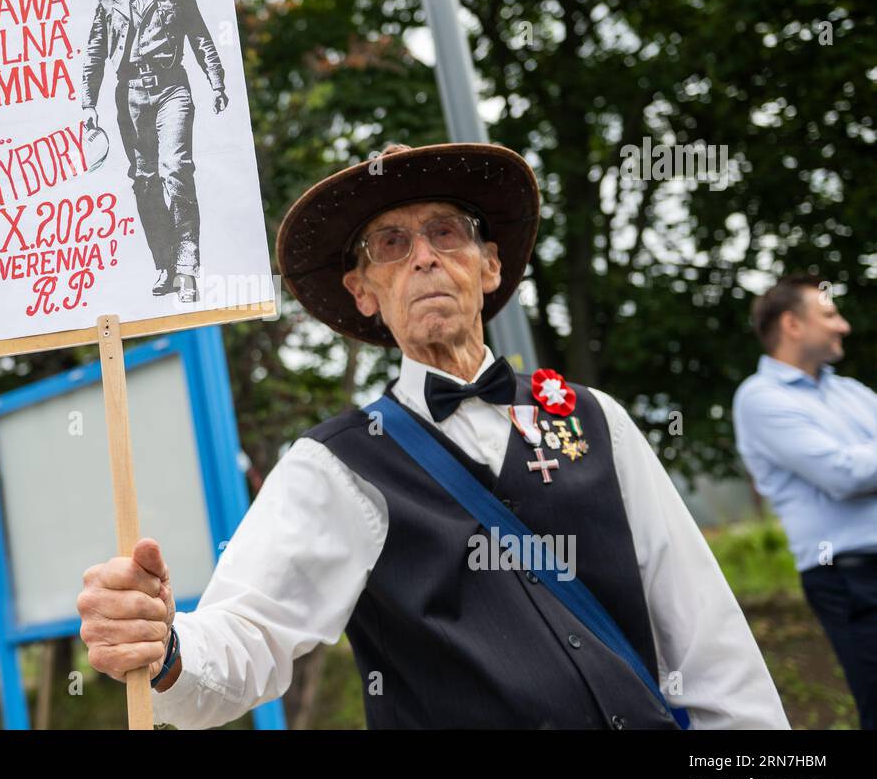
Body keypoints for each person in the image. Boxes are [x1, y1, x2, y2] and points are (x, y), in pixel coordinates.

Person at [77, 141, 789, 729]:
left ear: (489, 265)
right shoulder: (334, 466)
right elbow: (246, 637)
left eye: (445, 232)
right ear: (364, 290)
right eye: (391, 243)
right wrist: (164, 644)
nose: (423, 256)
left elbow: (706, 637)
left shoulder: (595, 418)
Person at [733, 273, 877, 729]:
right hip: (851, 578)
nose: (844, 326)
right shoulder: (760, 399)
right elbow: (842, 474)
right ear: (793, 325)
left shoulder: (851, 391)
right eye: (831, 314)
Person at [80, 0, 229, 303]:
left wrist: (217, 82)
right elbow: (94, 57)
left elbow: (201, 40)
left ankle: (187, 266)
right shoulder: (108, 3)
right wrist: (88, 104)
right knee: (144, 180)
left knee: (176, 168)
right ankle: (164, 264)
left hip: (172, 88)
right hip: (128, 95)